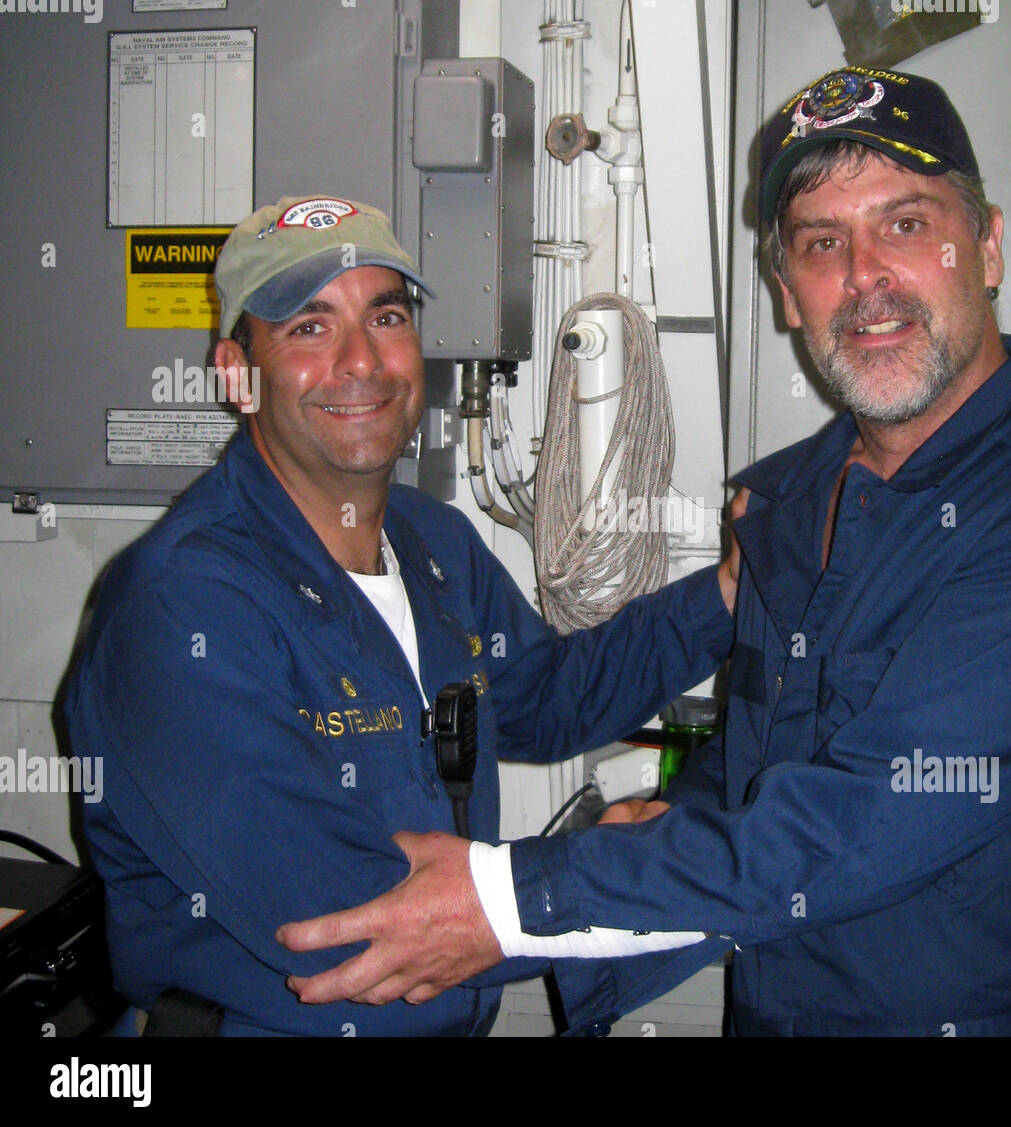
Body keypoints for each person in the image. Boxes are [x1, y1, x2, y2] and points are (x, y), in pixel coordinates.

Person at [279, 68, 1011, 1036]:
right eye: (822, 243)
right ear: (785, 292)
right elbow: (767, 759)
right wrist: (679, 822)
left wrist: (505, 895)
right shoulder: (788, 501)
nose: (863, 277)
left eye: (905, 224)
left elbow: (868, 809)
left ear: (985, 246)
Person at [64, 194, 737, 1035]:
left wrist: (727, 595)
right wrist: (612, 867)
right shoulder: (180, 610)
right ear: (237, 372)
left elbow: (546, 699)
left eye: (385, 316)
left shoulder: (432, 543)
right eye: (309, 328)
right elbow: (347, 915)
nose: (361, 361)